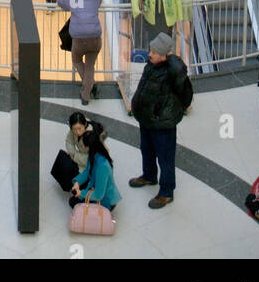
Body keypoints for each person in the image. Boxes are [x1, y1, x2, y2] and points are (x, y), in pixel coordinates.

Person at [129, 32, 193, 208]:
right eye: (151, 50)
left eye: (155, 52)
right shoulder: (151, 65)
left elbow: (184, 86)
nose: (150, 54)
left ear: (165, 56)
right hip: (147, 119)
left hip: (162, 123)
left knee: (165, 158)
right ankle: (149, 176)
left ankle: (166, 192)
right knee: (147, 150)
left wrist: (172, 58)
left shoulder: (173, 72)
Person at [57, 0, 103, 105]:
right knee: (90, 66)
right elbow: (96, 2)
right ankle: (86, 94)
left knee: (76, 60)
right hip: (95, 38)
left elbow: (60, 0)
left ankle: (89, 89)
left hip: (79, 39)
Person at [69, 128, 121, 213]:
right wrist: (77, 182)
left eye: (84, 145)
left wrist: (81, 193)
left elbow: (98, 195)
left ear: (89, 147)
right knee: (74, 196)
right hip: (96, 189)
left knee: (73, 202)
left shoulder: (102, 166)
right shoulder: (95, 154)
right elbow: (87, 172)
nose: (83, 147)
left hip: (105, 201)